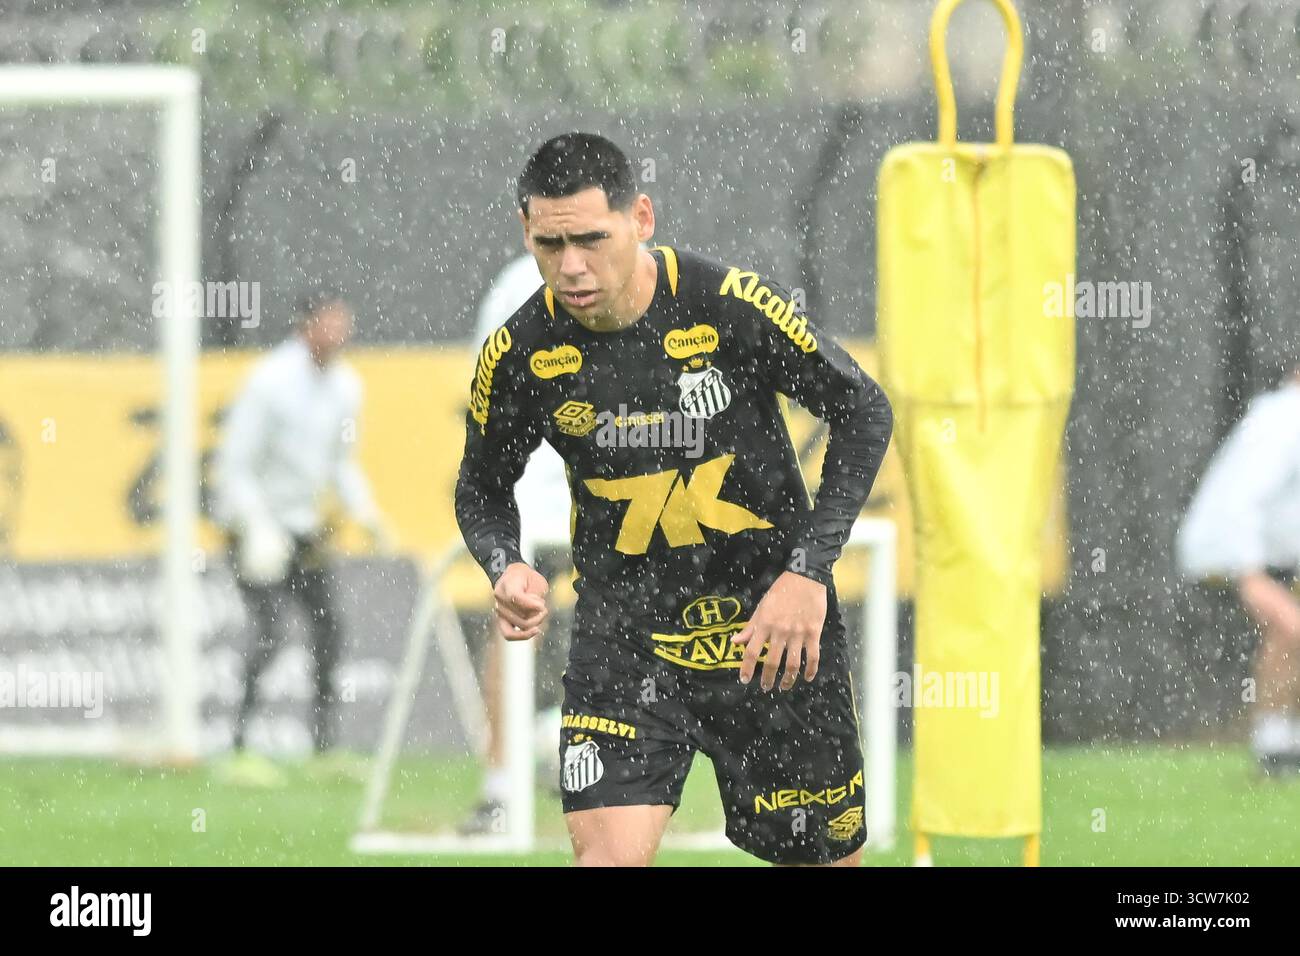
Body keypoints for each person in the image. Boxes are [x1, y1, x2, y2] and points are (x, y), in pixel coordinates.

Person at [455, 133, 892, 865]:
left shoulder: (728, 306)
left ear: (642, 219)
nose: (571, 266)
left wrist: (808, 573)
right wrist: (505, 565)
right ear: (525, 232)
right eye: (549, 243)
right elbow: (481, 486)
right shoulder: (521, 351)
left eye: (592, 239)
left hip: (768, 636)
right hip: (625, 646)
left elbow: (863, 409)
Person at [213, 290, 390, 782]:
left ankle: (323, 748)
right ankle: (237, 746)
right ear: (306, 324)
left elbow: (341, 463)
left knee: (328, 631)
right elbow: (234, 467)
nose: (339, 332)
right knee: (268, 632)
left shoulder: (346, 387)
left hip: (304, 530)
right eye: (330, 321)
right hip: (256, 527)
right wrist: (255, 527)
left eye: (344, 321)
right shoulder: (269, 381)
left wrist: (366, 511)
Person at [458, 254, 574, 835]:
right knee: (514, 622)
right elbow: (483, 388)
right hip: (533, 491)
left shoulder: (636, 273)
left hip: (612, 482)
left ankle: (637, 777)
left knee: (637, 616)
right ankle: (501, 786)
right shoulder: (516, 287)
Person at [1177, 353, 1300, 774]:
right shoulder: (1284, 420)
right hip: (1230, 553)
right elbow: (1240, 500)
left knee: (1288, 633)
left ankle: (1280, 743)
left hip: (1268, 554)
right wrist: (1249, 574)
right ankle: (1274, 746)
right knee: (1291, 630)